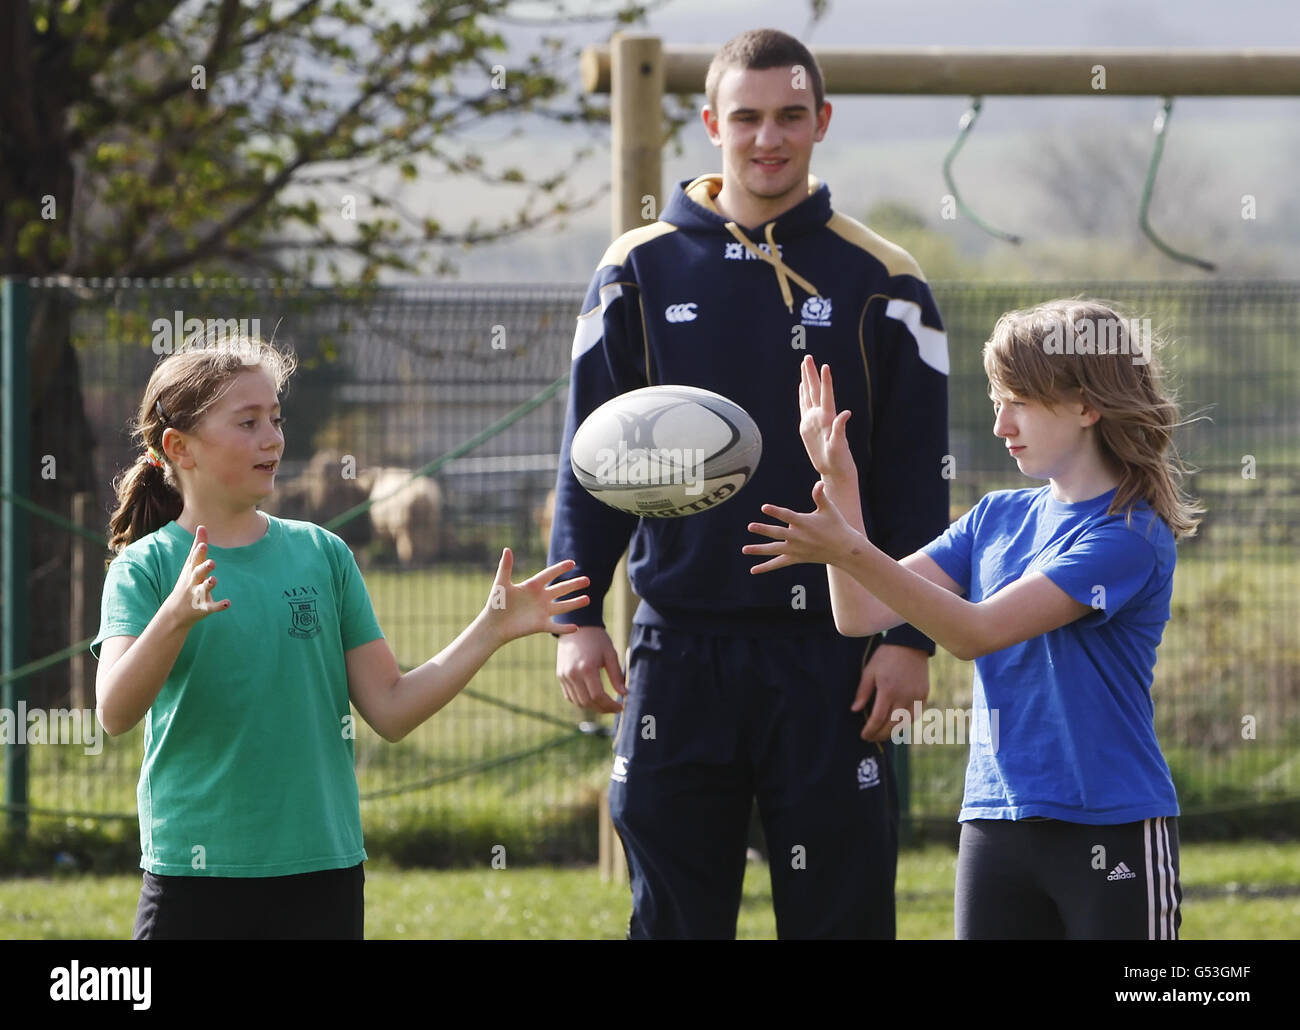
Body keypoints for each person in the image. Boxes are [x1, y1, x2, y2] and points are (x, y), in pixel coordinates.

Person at [548, 28, 950, 939]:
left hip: (834, 656)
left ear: (822, 122)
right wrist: (576, 620)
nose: (769, 138)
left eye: (790, 117)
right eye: (747, 117)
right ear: (710, 124)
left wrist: (908, 635)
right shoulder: (637, 268)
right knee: (676, 917)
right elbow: (590, 461)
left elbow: (917, 476)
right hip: (679, 648)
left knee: (841, 915)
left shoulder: (885, 279)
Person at [93, 336, 589, 940]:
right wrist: (172, 618)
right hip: (196, 876)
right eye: (247, 423)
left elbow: (393, 708)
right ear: (179, 447)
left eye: (275, 419)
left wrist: (491, 628)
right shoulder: (145, 568)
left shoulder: (322, 555)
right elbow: (115, 712)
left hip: (322, 871)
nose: (272, 438)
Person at [745, 300, 1199, 939]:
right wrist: (838, 481)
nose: (1000, 423)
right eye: (995, 400)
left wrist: (847, 547)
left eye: (1019, 400)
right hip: (994, 824)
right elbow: (861, 613)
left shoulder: (1128, 535)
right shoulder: (996, 518)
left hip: (1112, 826)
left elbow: (974, 631)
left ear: (1086, 406)